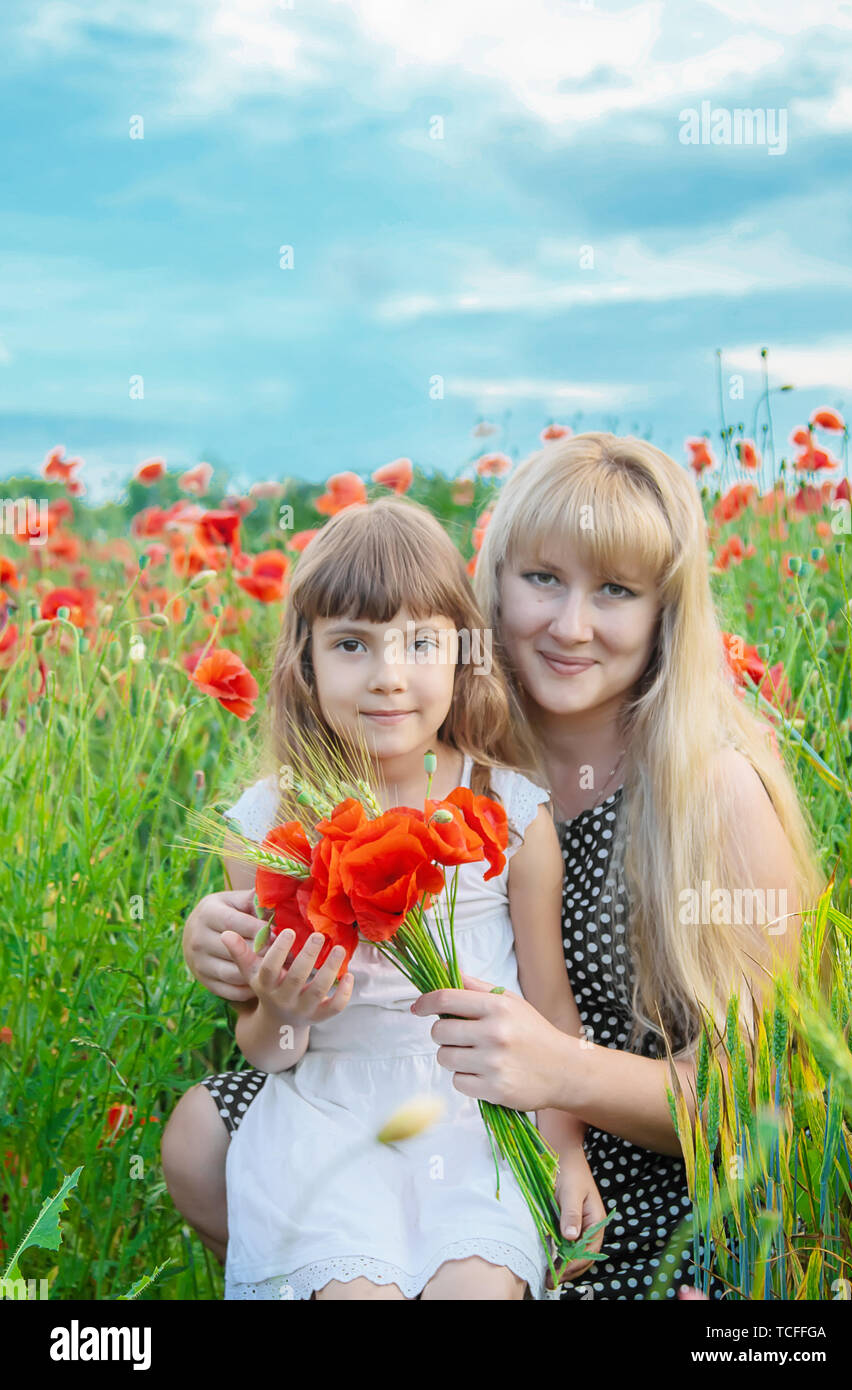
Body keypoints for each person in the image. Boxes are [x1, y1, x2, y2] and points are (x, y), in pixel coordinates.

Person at [164, 432, 823, 1299]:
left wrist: (560, 1072)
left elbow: (765, 1105)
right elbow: (281, 1005)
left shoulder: (710, 792)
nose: (570, 624)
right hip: (374, 1101)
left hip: (615, 1187)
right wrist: (219, 938)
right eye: (543, 579)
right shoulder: (444, 739)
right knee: (201, 1136)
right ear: (490, 588)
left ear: (667, 613)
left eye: (616, 591)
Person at [165, 494, 605, 1301]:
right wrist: (288, 1010)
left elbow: (551, 1007)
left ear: (463, 654)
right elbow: (268, 1052)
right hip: (325, 1122)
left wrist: (566, 1152)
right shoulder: (268, 829)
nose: (388, 676)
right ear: (305, 661)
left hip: (478, 1121)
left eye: (420, 642)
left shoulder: (511, 812)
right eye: (351, 645)